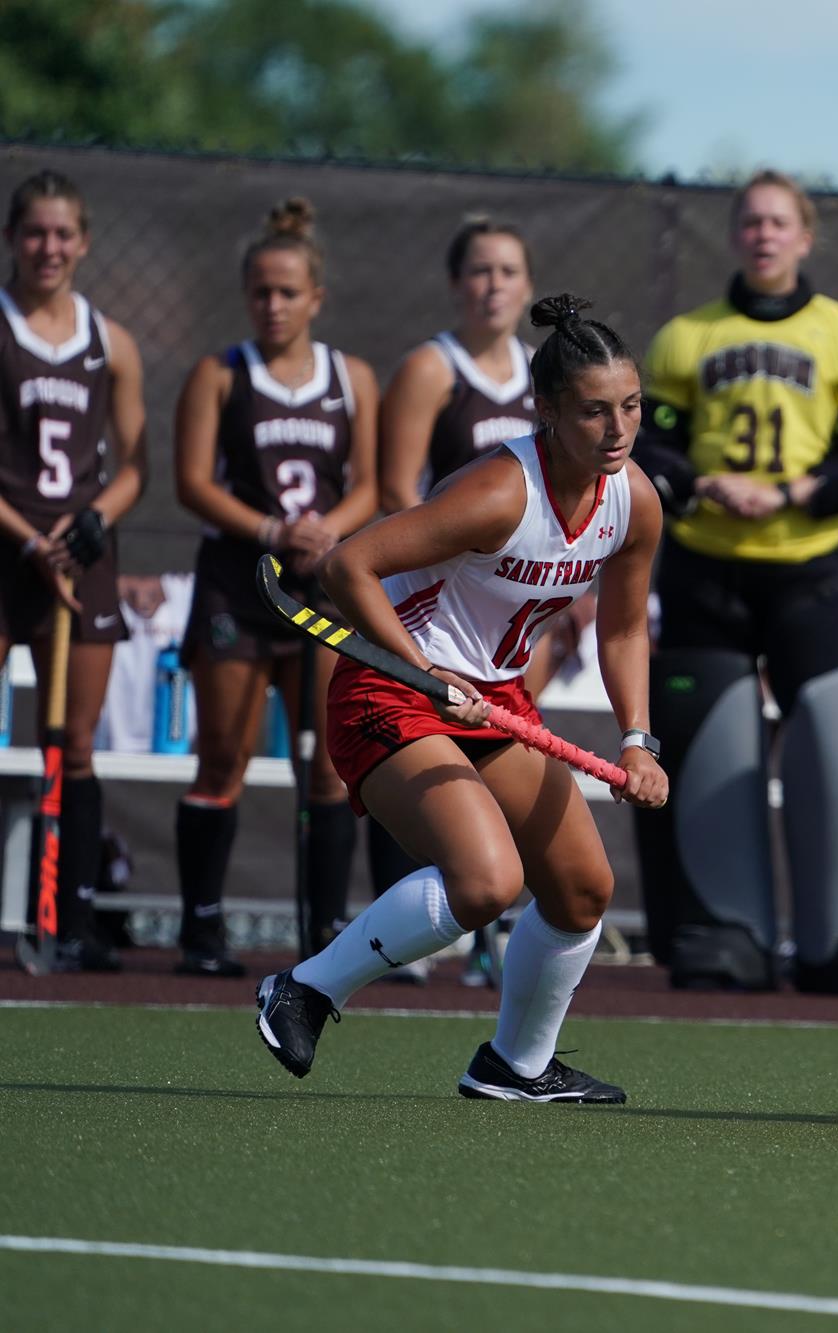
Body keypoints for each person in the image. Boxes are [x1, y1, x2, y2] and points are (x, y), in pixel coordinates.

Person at [254, 293, 666, 1102]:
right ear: (547, 412)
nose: (617, 429)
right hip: (392, 684)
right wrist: (425, 673)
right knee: (484, 882)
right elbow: (346, 566)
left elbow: (622, 631)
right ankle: (303, 990)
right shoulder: (499, 493)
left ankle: (514, 1065)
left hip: (492, 697)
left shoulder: (633, 500)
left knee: (584, 887)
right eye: (592, 412)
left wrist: (637, 739)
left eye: (630, 406)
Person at [632, 168, 838, 991]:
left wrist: (791, 494)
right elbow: (648, 446)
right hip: (705, 568)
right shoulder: (685, 336)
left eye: (777, 222)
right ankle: (723, 929)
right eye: (750, 221)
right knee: (712, 740)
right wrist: (703, 484)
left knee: (832, 741)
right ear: (734, 235)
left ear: (804, 236)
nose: (763, 234)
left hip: (808, 572)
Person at [171, 197, 378, 973]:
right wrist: (269, 531)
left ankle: (325, 938)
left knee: (329, 762)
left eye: (288, 292)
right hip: (238, 583)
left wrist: (325, 530)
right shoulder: (220, 373)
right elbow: (192, 481)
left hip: (318, 589)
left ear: (315, 297)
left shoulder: (350, 376)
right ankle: (201, 928)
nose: (274, 304)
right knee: (222, 754)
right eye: (261, 291)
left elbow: (374, 483)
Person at [367, 216, 560, 979]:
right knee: (426, 749)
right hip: (439, 608)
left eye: (508, 272)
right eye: (479, 272)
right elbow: (395, 490)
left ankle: (488, 933)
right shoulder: (432, 369)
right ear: (456, 285)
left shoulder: (546, 379)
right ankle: (411, 932)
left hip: (510, 614)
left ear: (529, 286)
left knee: (496, 761)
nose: (493, 286)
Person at [0, 168, 148, 972]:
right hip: (9, 548)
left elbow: (136, 463)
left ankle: (71, 913)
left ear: (83, 242)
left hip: (82, 557)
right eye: (33, 232)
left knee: (75, 742)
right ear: (11, 238)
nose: (48, 247)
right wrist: (30, 538)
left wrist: (95, 520)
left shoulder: (109, 340)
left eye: (63, 234)